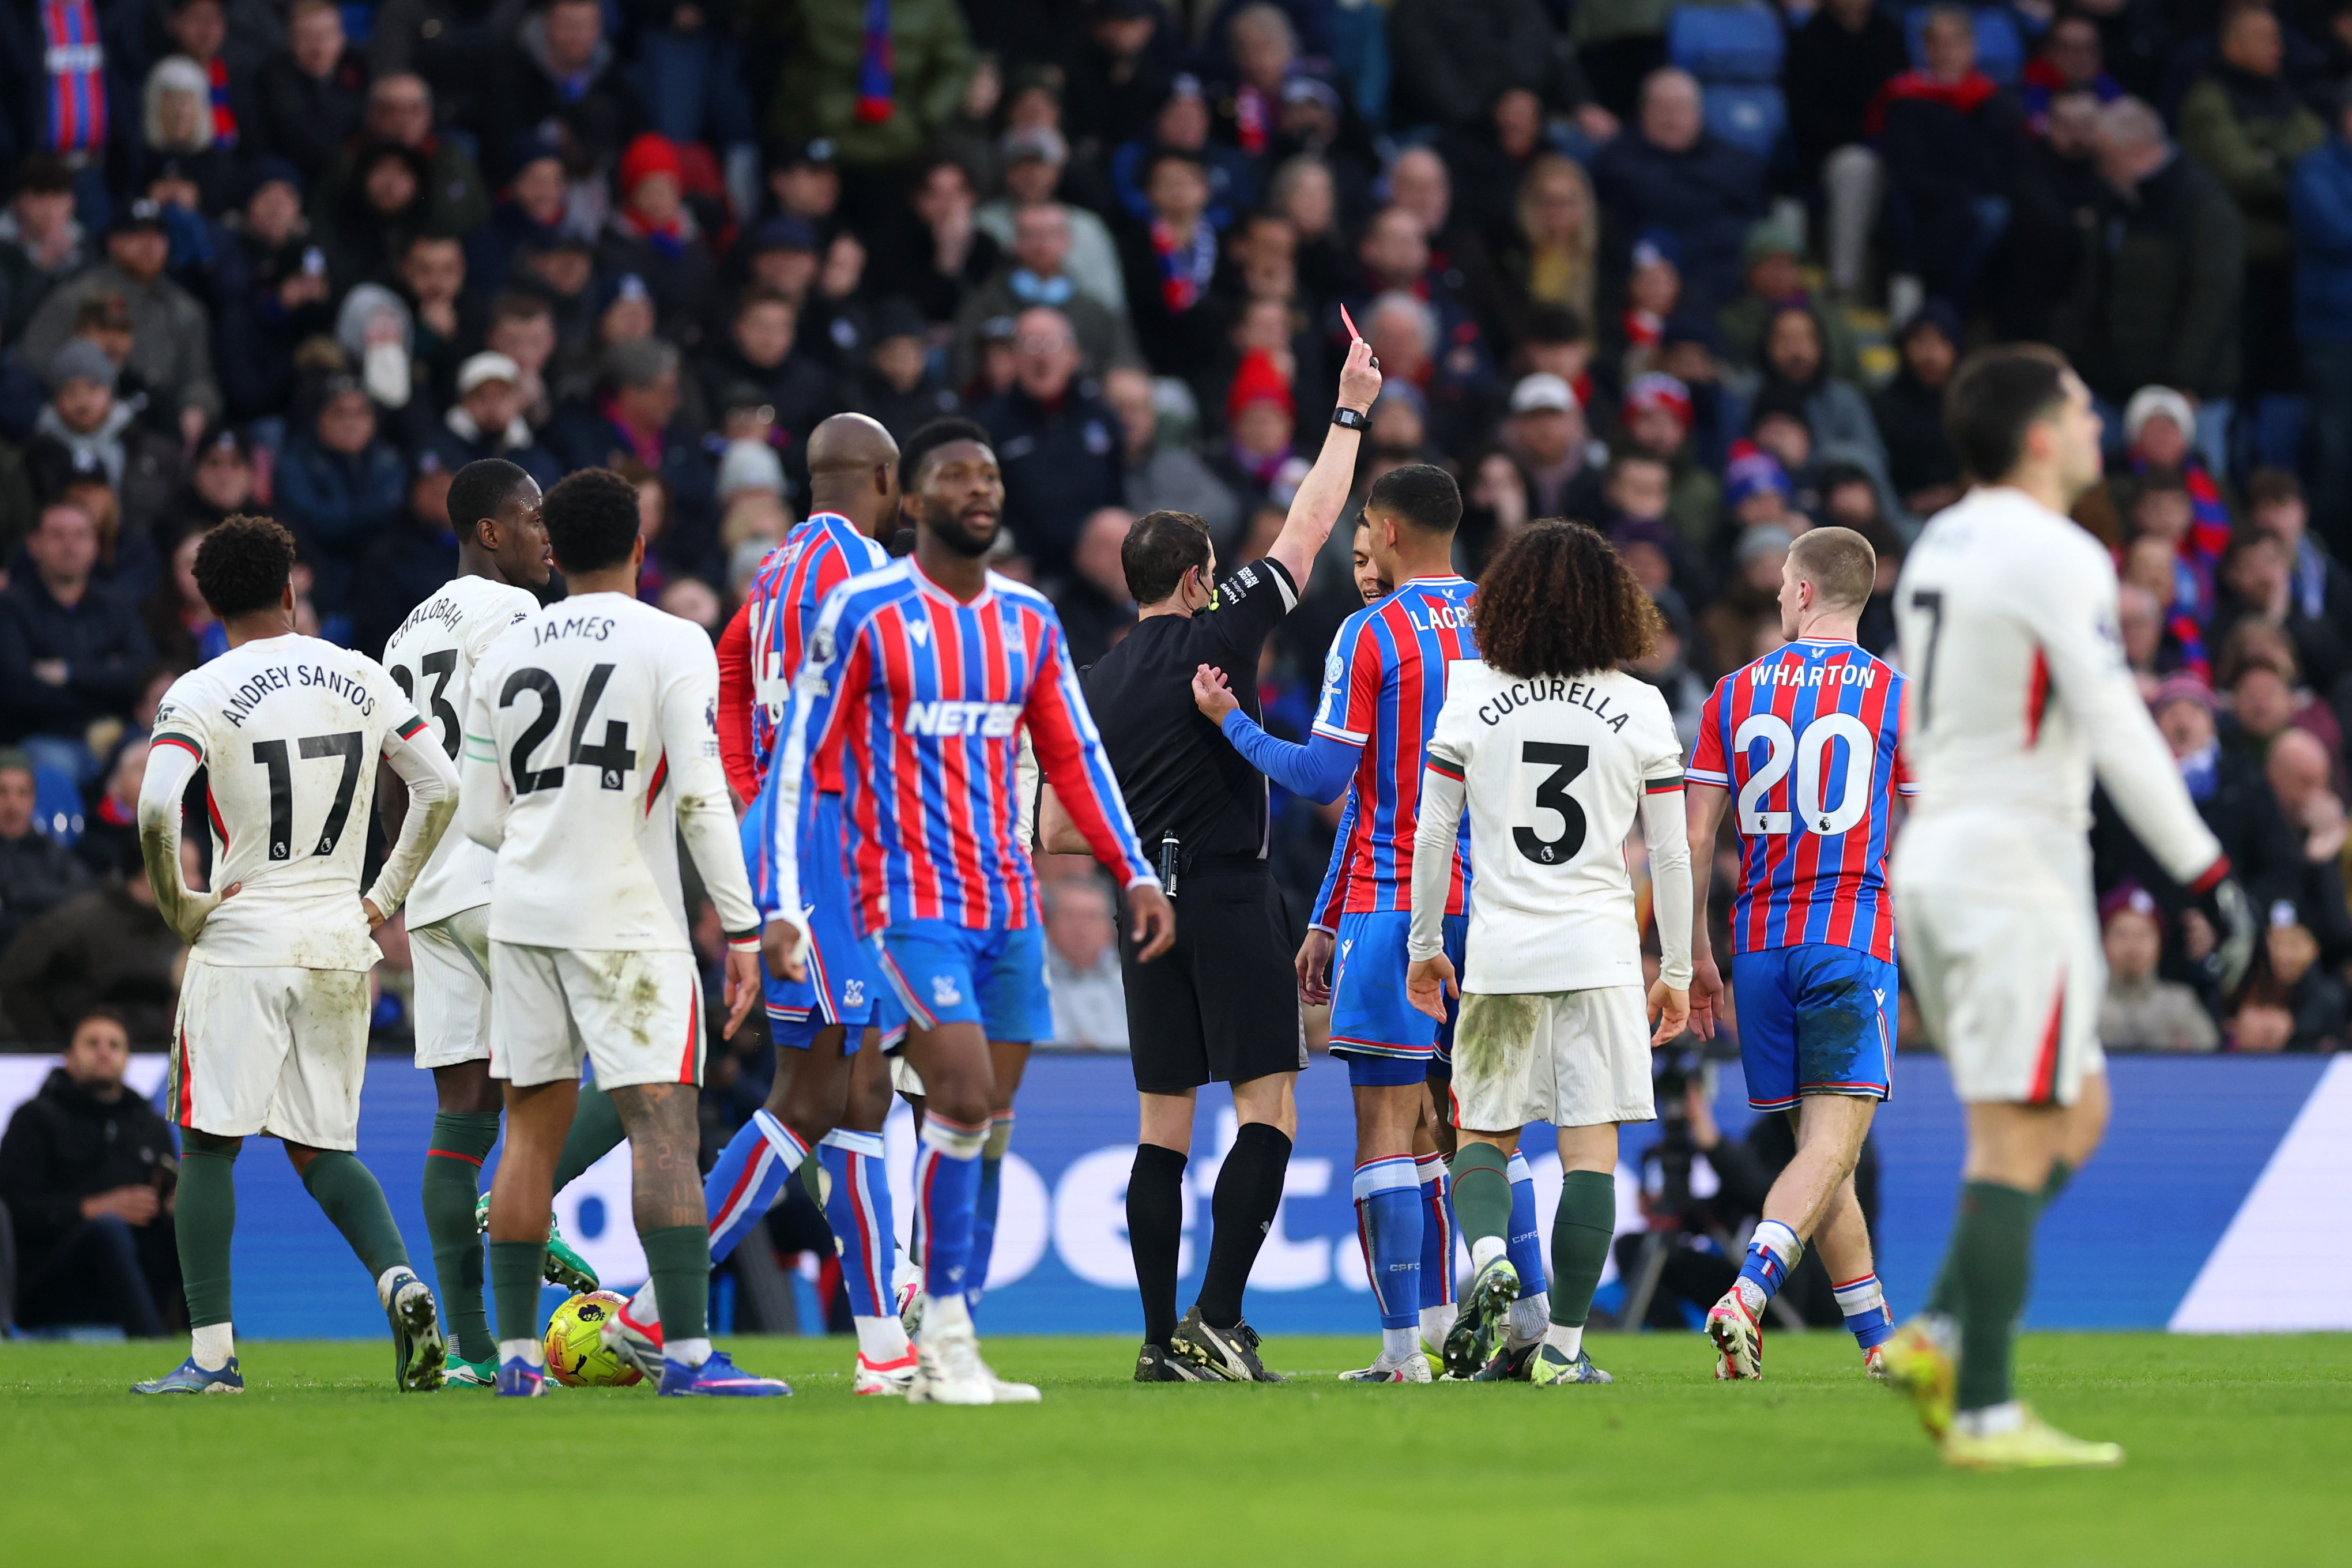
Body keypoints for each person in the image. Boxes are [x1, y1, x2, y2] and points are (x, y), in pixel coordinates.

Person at [1886, 346, 2256, 1467]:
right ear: (2041, 433)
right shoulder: (2059, 552)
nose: (2099, 425)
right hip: (2010, 867)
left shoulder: (1936, 547)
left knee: (2077, 1111)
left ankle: (1942, 1327)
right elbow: (2116, 720)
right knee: (2013, 1133)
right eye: (2085, 408)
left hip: (1946, 854)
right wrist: (2206, 870)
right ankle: (1988, 1411)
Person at [762, 420, 1175, 1405]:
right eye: (957, 475)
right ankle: (937, 1339)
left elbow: (1075, 757)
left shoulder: (1029, 620)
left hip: (1005, 907)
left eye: (991, 474)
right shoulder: (862, 611)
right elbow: (797, 766)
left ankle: (947, 1332)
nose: (980, 488)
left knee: (985, 1119)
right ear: (910, 499)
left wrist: (1135, 873)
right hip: (904, 902)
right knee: (952, 1089)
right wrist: (776, 901)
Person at [1061, 333, 1375, 1384]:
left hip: (1142, 903)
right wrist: (1348, 410)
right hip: (1232, 894)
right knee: (1268, 1107)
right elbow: (1312, 522)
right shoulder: (1220, 635)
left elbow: (1056, 820)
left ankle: (1156, 1343)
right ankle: (1220, 1318)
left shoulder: (1093, 683)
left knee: (1162, 1128)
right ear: (1198, 579)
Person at [608, 412, 922, 1397]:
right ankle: (673, 1312)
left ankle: (864, 1340)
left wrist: (753, 787)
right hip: (837, 846)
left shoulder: (778, 567)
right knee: (830, 1094)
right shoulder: (866, 572)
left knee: (837, 1094)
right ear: (884, 476)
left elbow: (734, 671)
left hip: (786, 839)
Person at [462, 468, 781, 1399]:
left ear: (550, 553)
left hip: (522, 911)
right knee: (663, 1129)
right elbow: (698, 795)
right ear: (641, 545)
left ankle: (517, 1363)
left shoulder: (507, 648)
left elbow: (481, 815)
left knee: (528, 1130)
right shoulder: (672, 640)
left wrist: (549, 825)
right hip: (627, 918)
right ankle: (684, 1357)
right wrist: (744, 928)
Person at [131, 513, 461, 1394]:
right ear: (290, 587)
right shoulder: (361, 675)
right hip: (337, 937)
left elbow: (159, 808)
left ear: (208, 602)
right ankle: (400, 1284)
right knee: (323, 1148)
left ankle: (212, 1358)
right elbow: (442, 786)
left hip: (243, 938)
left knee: (207, 1148)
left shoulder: (199, 689)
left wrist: (181, 906)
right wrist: (384, 899)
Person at [1196, 463, 1473, 1384]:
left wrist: (1233, 721)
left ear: (1388, 530)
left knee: (1387, 1130)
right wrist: (1324, 914)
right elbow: (1375, 788)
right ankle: (1502, 1332)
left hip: (1400, 908)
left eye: (1363, 545)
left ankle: (1405, 1353)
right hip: (1499, 914)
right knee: (1469, 1126)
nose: (1357, 566)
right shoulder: (1509, 623)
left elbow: (1323, 779)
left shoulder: (1371, 633)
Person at [1404, 519, 1693, 1387]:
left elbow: (1433, 832)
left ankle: (1489, 1255)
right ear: (1612, 606)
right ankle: (1563, 1350)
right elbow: (1672, 854)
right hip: (1602, 955)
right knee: (1589, 1154)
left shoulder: (1469, 691)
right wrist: (1674, 967)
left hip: (1500, 953)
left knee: (1482, 1136)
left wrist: (1426, 945)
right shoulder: (1640, 705)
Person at [375, 458, 591, 1389]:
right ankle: (514, 1213)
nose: (548, 534)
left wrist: (405, 881)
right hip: (505, 876)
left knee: (459, 1114)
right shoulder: (516, 619)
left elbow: (398, 775)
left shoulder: (403, 634)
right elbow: (538, 751)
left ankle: (462, 1353)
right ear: (491, 533)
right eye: (532, 518)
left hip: (432, 891)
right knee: (631, 1071)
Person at [1682, 526, 1913, 1381]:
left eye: (1785, 582)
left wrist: (1695, 955)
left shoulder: (1732, 693)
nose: (1780, 593)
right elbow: (1925, 826)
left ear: (1808, 591)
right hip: (1850, 936)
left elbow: (1695, 835)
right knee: (1831, 1151)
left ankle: (1879, 1343)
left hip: (1760, 951)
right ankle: (1747, 1291)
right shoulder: (1895, 695)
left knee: (1820, 1161)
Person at [0, 1011, 181, 1337]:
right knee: (109, 1230)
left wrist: (175, 1205)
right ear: (68, 1057)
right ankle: (154, 1346)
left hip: (136, 1271)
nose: (104, 1052)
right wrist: (91, 1209)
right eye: (92, 1043)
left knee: (187, 1230)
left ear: (127, 1060)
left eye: (115, 1045)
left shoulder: (149, 1125)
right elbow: (14, 1207)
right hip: (52, 1279)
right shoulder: (34, 1120)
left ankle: (219, 1347)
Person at [1042, 880, 1126, 1047]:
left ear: (1110, 929)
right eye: (1069, 916)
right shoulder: (1034, 983)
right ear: (1049, 926)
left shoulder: (1131, 982)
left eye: (1091, 917)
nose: (1080, 928)